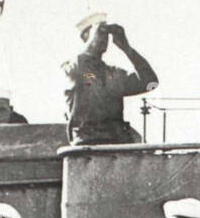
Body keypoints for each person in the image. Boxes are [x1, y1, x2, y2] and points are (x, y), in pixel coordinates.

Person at [63, 13, 158, 145]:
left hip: (117, 143)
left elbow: (150, 83)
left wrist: (127, 48)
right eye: (99, 33)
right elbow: (85, 74)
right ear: (86, 37)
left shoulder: (114, 75)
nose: (104, 38)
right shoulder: (74, 68)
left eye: (106, 34)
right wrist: (91, 43)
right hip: (88, 144)